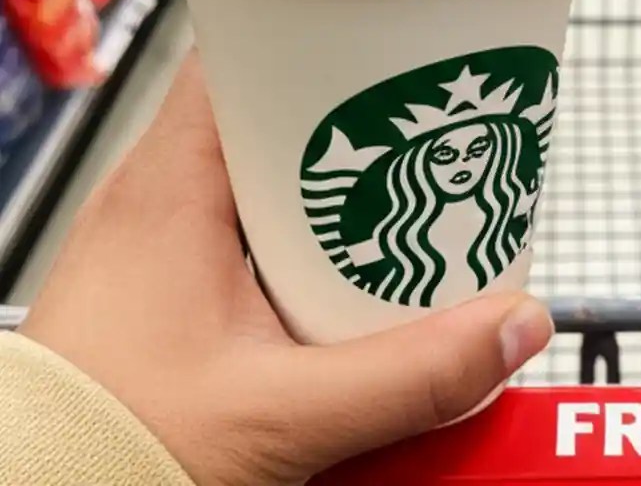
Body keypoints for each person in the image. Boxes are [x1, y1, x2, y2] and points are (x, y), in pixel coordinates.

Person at [0, 56, 554, 485]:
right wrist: (105, 451)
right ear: (413, 166)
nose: (464, 166)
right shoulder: (399, 239)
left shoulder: (488, 217)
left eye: (478, 147)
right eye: (443, 154)